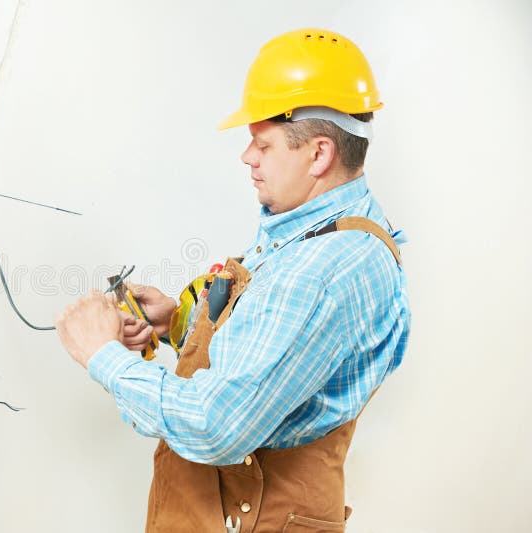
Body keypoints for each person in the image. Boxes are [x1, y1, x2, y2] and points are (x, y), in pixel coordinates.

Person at [56, 28, 410, 532]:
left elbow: (216, 424)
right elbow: (277, 356)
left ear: (319, 154)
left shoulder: (320, 272)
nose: (247, 156)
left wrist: (103, 357)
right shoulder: (323, 232)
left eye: (261, 142)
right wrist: (178, 322)